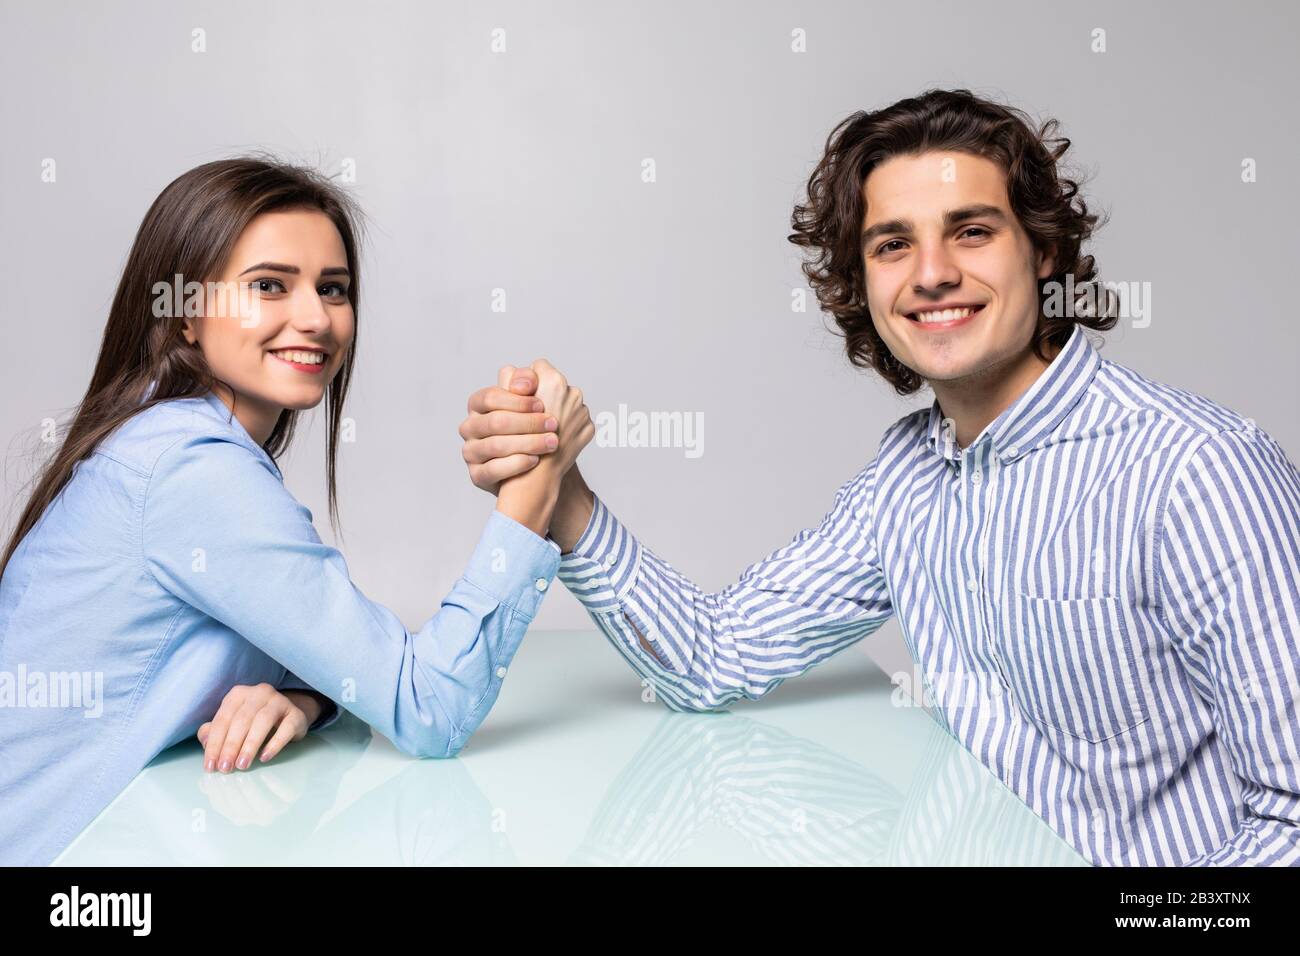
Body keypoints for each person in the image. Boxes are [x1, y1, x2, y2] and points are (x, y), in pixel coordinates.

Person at [459, 89, 1300, 866]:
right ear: (862, 282)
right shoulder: (907, 477)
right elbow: (713, 658)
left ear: (1044, 253)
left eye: (972, 231)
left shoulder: (1199, 473)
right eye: (893, 244)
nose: (931, 273)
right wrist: (562, 495)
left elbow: (1290, 821)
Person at [0, 157, 593, 866]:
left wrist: (306, 694)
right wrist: (536, 489)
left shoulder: (170, 439)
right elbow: (428, 706)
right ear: (186, 311)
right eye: (269, 286)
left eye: (333, 289)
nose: (315, 318)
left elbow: (320, 646)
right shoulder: (191, 470)